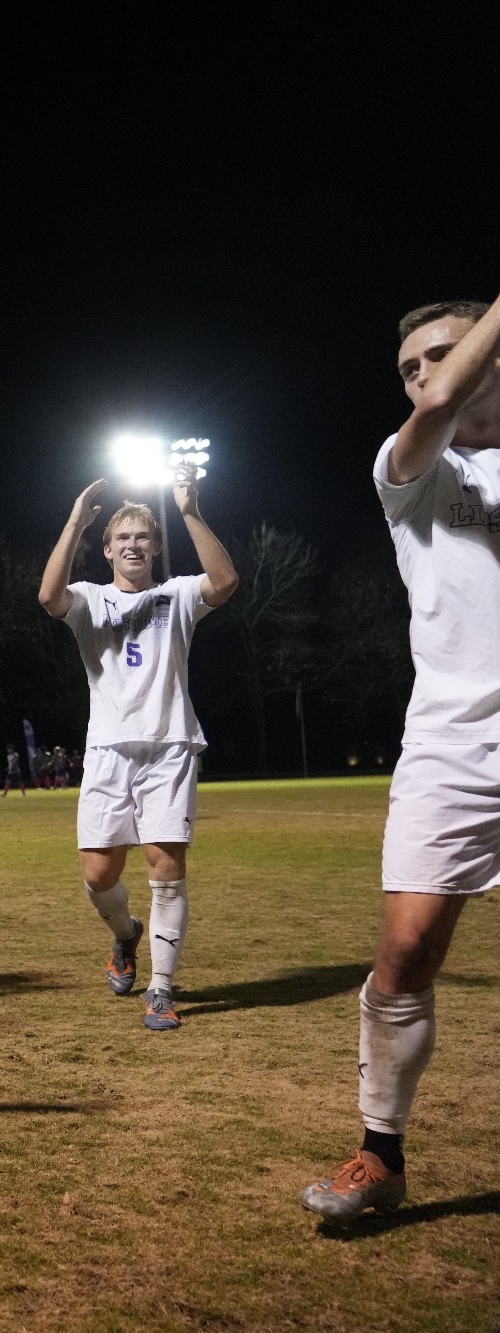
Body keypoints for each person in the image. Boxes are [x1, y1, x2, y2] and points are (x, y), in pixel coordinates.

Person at [301, 294, 500, 1218]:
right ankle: (382, 1155)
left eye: (441, 356)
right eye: (410, 366)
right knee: (407, 949)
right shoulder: (411, 469)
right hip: (452, 745)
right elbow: (435, 410)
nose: (423, 377)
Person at [38, 462, 239, 1033]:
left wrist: (190, 510)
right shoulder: (89, 600)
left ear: (154, 547)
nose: (132, 544)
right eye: (121, 538)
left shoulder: (176, 594)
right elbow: (48, 595)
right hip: (107, 750)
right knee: (99, 874)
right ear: (106, 550)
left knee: (166, 869)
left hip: (170, 745)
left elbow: (224, 583)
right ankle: (127, 935)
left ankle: (161, 989)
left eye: (141, 537)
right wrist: (75, 522)